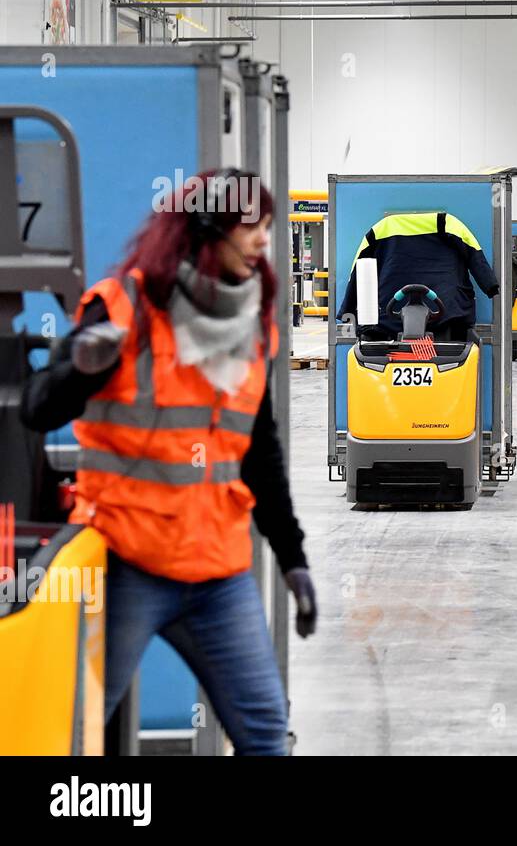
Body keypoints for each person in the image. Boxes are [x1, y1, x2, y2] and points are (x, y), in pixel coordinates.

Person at [21, 169, 315, 756]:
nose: (263, 241)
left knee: (264, 733)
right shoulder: (123, 308)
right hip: (127, 566)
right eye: (252, 227)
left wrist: (292, 557)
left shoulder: (253, 326)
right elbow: (37, 407)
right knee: (72, 735)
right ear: (208, 229)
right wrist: (80, 368)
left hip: (218, 573)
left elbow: (259, 452)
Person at [338, 210, 499, 342]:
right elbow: (474, 253)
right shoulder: (447, 223)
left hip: (390, 318)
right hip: (448, 314)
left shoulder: (381, 229)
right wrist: (489, 285)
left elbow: (358, 268)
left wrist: (348, 309)